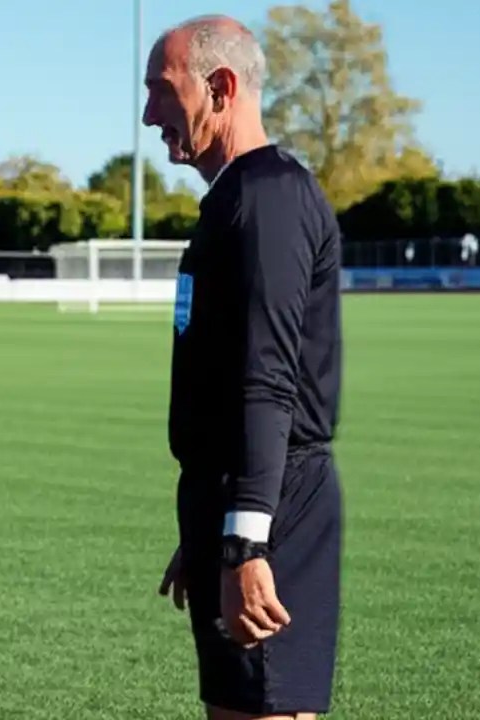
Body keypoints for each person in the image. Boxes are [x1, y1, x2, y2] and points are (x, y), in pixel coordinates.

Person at [144, 15, 345, 720]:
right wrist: (206, 526)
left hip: (272, 506)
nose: (148, 115)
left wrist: (244, 540)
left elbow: (268, 381)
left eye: (161, 93)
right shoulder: (232, 198)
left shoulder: (271, 198)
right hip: (234, 501)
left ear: (220, 87)